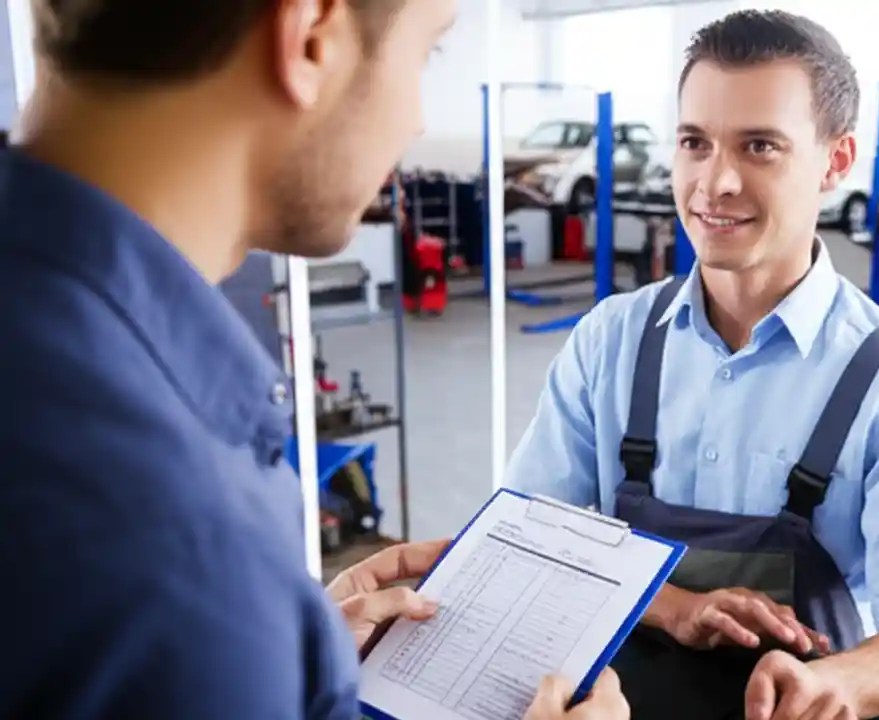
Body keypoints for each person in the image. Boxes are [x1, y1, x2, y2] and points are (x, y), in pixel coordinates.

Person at [0, 1, 626, 718]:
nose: (417, 118)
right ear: (310, 40)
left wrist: (292, 660)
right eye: (429, 55)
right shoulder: (171, 527)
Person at [505, 10, 879, 720]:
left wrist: (842, 683)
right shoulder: (609, 344)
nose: (715, 181)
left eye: (759, 146)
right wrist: (676, 609)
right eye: (695, 143)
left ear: (836, 161)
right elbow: (530, 541)